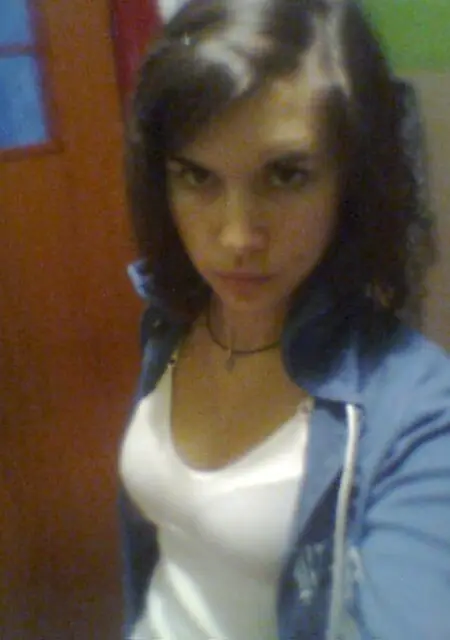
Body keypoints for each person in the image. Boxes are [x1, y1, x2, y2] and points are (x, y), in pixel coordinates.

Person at [118, 1, 450, 639]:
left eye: (286, 175)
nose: (236, 237)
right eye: (196, 177)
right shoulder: (170, 321)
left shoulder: (416, 412)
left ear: (350, 181)